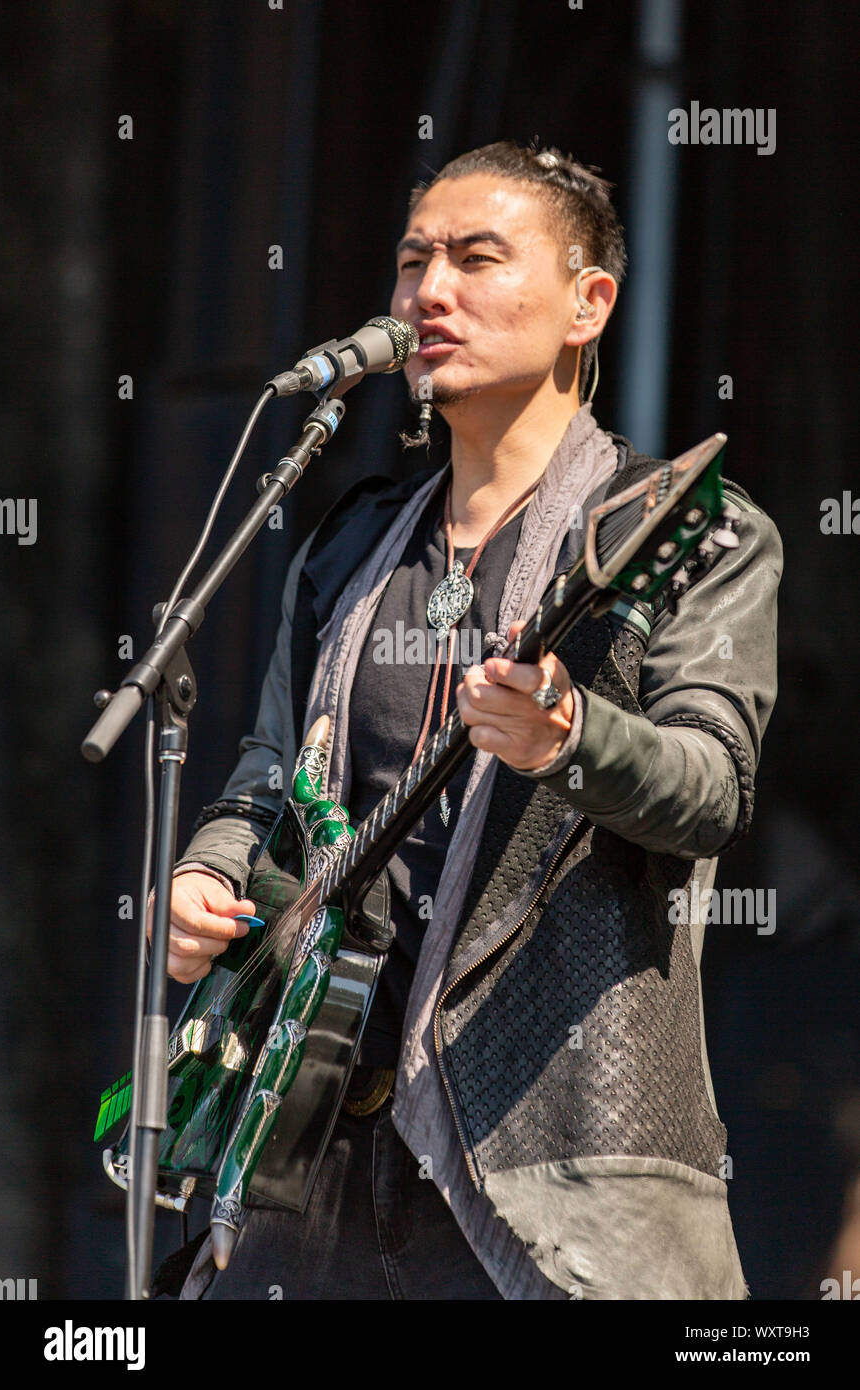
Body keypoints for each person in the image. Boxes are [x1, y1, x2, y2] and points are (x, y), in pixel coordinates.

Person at [149, 140, 782, 1300]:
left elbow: (712, 787)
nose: (427, 293)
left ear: (588, 304)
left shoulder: (686, 532)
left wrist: (571, 736)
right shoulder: (350, 542)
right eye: (410, 262)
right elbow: (269, 777)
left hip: (547, 1164)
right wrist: (210, 871)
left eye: (476, 259)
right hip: (314, 1147)